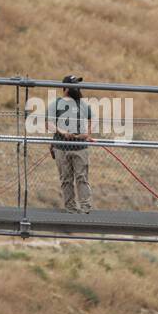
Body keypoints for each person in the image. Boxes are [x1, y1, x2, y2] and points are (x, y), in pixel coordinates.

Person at [47, 75, 93, 214]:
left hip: (80, 148)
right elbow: (48, 123)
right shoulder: (56, 104)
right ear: (66, 88)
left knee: (82, 178)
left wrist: (88, 134)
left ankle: (85, 209)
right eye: (74, 85)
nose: (77, 88)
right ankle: (70, 209)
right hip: (61, 148)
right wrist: (62, 131)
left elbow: (91, 119)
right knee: (66, 179)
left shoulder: (83, 104)